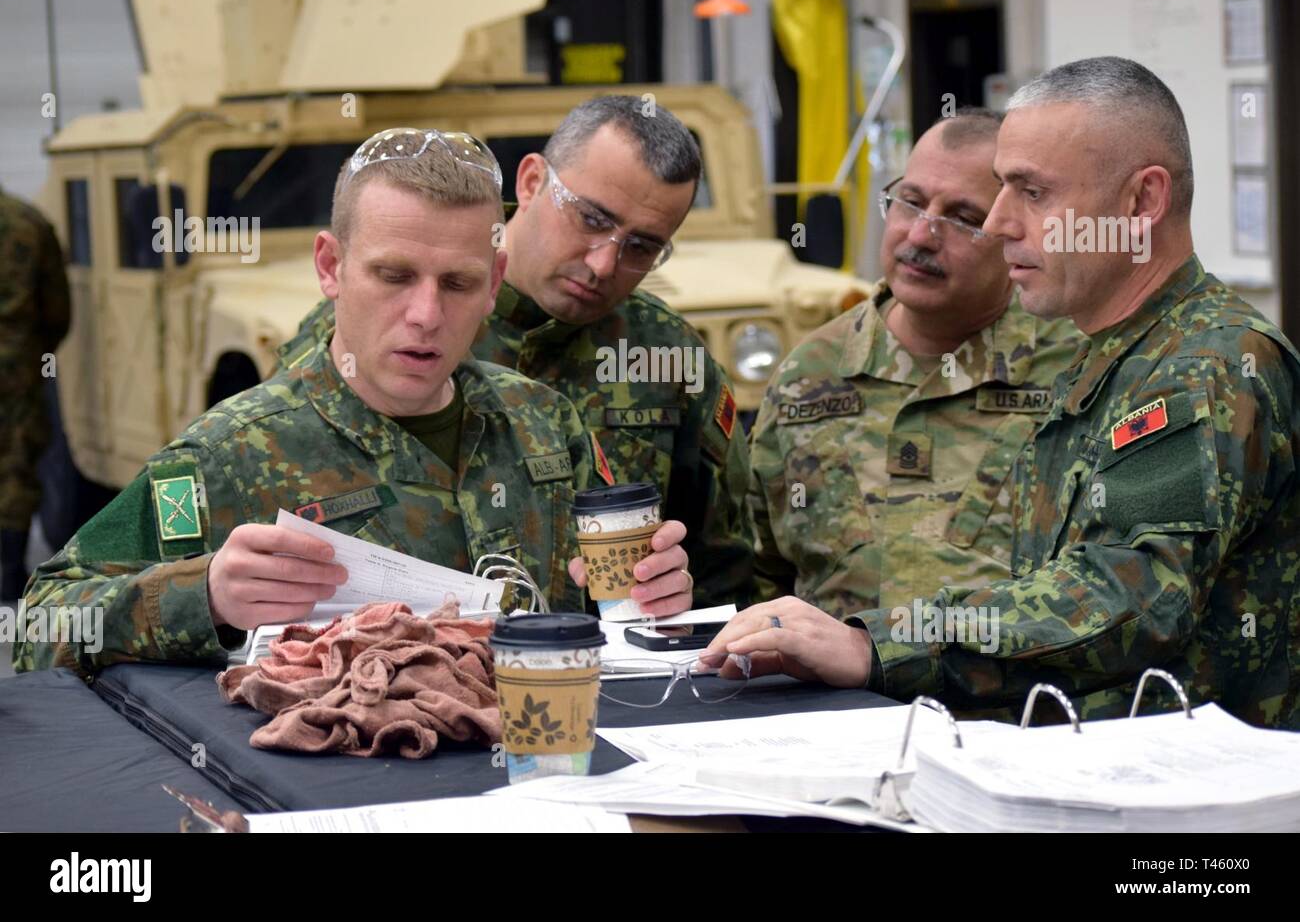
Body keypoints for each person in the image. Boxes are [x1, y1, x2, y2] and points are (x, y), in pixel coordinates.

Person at [706, 57, 1300, 728]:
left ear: (1141, 202)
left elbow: (1129, 595)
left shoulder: (1205, 364)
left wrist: (876, 643)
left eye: (1032, 193)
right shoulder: (1113, 356)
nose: (996, 224)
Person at [15, 128, 691, 678]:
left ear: (494, 284)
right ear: (331, 268)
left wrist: (652, 596)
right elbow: (42, 624)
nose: (425, 315)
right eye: (393, 276)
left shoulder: (544, 426)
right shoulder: (236, 451)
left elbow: (619, 606)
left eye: (457, 283)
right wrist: (208, 596)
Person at [282, 97, 753, 609]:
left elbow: (726, 564)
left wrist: (670, 597)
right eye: (591, 219)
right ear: (531, 182)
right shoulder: (367, 330)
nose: (603, 263)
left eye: (641, 247)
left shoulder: (664, 353)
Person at [749, 109, 1079, 618]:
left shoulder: (1076, 373)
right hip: (840, 698)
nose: (922, 235)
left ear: (1018, 235)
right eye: (911, 202)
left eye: (964, 219)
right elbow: (757, 573)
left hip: (1012, 696)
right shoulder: (809, 375)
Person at [0, 185, 71, 601]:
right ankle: (8, 571)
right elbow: (57, 308)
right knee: (14, 464)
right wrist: (34, 349)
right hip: (17, 366)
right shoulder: (29, 221)